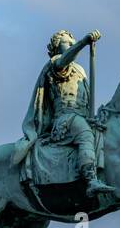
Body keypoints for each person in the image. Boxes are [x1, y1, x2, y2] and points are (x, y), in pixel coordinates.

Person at [15, 29, 114, 197]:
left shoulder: (80, 71)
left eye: (73, 42)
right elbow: (63, 61)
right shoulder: (56, 64)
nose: (71, 44)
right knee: (85, 134)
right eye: (67, 42)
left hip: (82, 117)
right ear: (56, 47)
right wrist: (83, 42)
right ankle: (90, 180)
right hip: (65, 119)